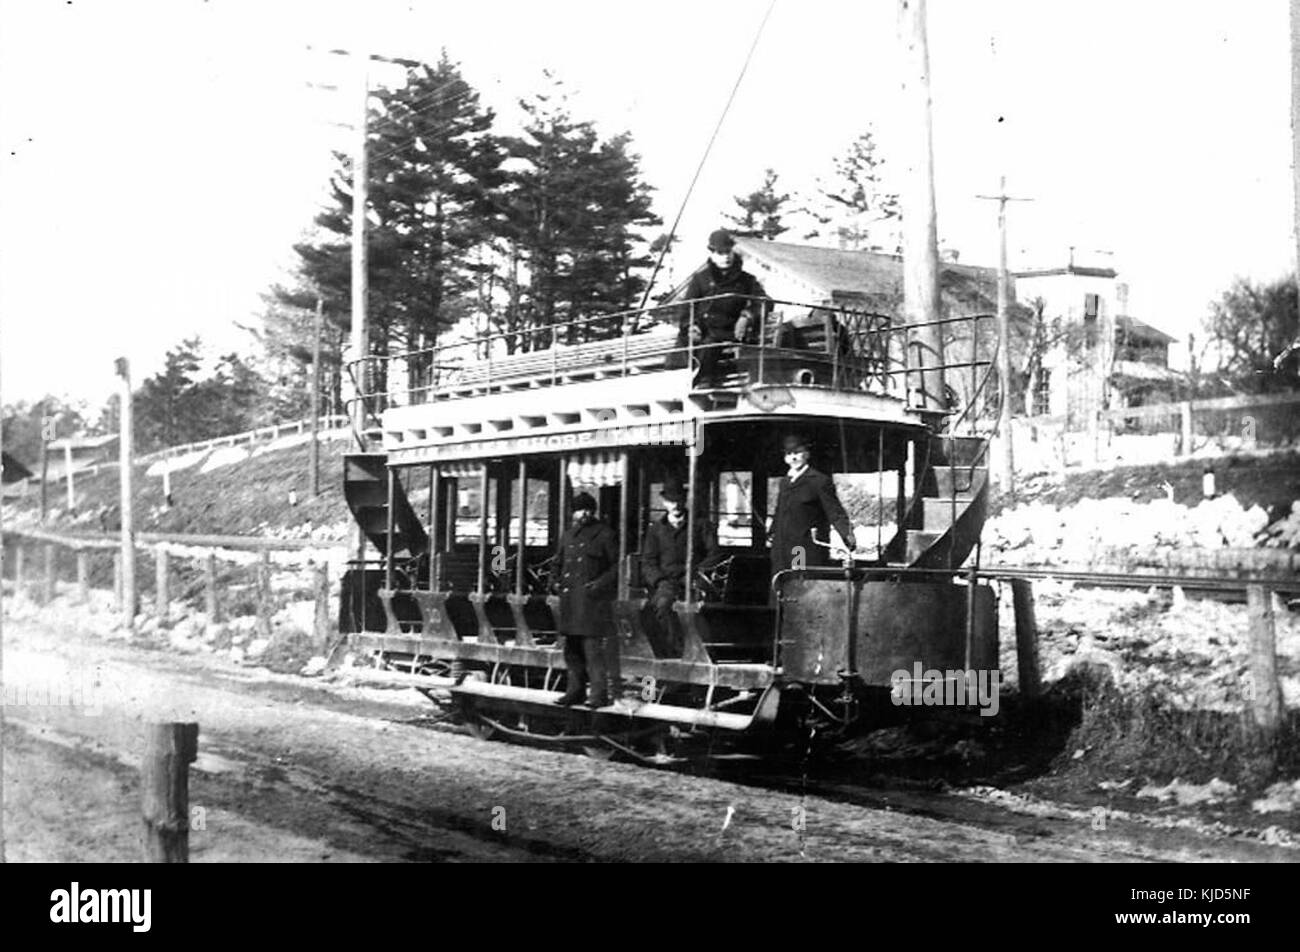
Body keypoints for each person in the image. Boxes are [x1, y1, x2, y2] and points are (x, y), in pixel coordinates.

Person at [551, 492, 621, 708]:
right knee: (572, 651)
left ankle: (598, 695)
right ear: (574, 512)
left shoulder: (605, 534)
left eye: (589, 509)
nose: (586, 514)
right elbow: (557, 562)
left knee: (592, 651)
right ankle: (575, 691)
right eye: (581, 510)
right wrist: (554, 582)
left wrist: (599, 585)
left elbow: (617, 566)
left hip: (592, 602)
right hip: (571, 601)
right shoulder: (568, 536)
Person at [640, 478, 724, 656]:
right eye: (671, 501)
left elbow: (714, 554)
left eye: (679, 500)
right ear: (664, 502)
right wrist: (660, 581)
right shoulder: (656, 530)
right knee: (661, 606)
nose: (676, 505)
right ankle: (674, 653)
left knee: (701, 610)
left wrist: (696, 574)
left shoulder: (700, 526)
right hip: (667, 583)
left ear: (685, 501)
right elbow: (648, 562)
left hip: (695, 581)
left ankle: (702, 653)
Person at [675, 228, 770, 386]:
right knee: (682, 348)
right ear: (712, 253)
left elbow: (764, 302)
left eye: (728, 252)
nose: (725, 257)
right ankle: (681, 383)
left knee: (711, 342)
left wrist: (747, 317)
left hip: (728, 330)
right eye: (720, 253)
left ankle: (703, 382)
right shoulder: (700, 279)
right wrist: (691, 325)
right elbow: (687, 308)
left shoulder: (745, 280)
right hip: (701, 329)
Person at [769, 433, 858, 576]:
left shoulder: (819, 481)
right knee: (779, 583)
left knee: (798, 584)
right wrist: (772, 532)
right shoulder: (784, 482)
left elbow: (834, 512)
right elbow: (780, 510)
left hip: (802, 547)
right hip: (780, 547)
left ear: (807, 454)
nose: (793, 457)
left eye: (797, 452)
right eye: (789, 453)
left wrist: (847, 535)